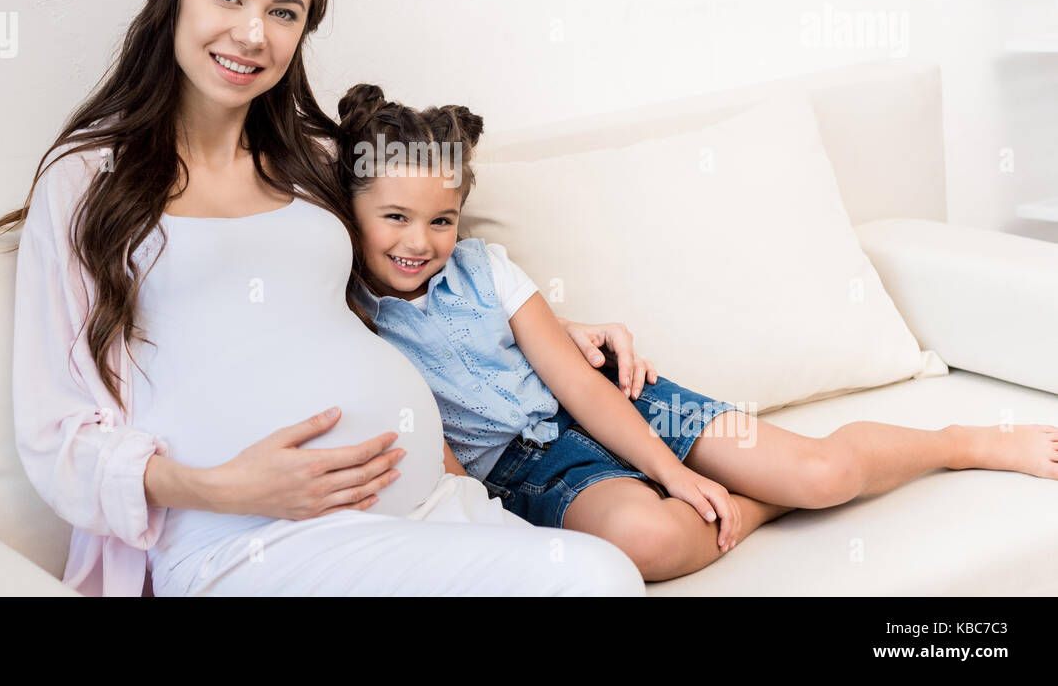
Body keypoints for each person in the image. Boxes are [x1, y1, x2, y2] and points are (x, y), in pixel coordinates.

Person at [0, 0, 643, 596]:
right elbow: (55, 433)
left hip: (429, 508)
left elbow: (410, 271)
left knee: (599, 572)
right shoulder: (88, 178)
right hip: (246, 538)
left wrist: (541, 326)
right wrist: (224, 486)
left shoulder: (313, 162)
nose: (252, 34)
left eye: (284, 12)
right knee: (595, 577)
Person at [333, 82, 1058, 582]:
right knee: (646, 541)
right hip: (527, 472)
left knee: (824, 474)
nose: (420, 241)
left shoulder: (486, 268)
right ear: (349, 211)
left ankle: (961, 443)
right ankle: (760, 502)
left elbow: (579, 385)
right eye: (395, 216)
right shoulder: (345, 316)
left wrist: (676, 472)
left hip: (624, 406)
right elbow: (440, 465)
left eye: (442, 219)